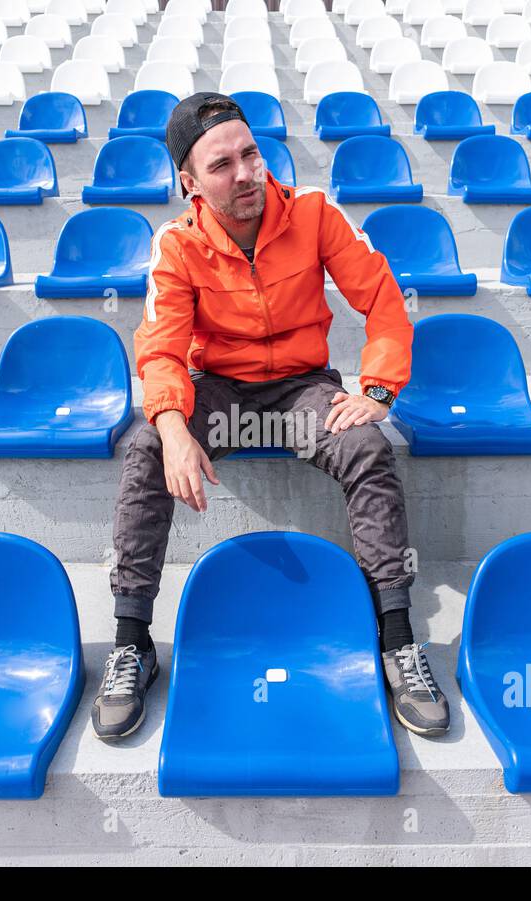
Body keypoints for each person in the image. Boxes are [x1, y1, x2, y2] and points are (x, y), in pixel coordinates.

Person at [92, 92, 449, 741]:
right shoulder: (177, 244)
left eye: (250, 154)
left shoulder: (313, 213)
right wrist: (173, 428)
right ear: (189, 182)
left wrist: (378, 389)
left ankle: (396, 638)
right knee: (147, 446)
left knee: (368, 447)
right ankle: (132, 641)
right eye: (222, 165)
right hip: (219, 391)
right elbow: (161, 348)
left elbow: (384, 301)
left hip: (302, 390)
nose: (246, 173)